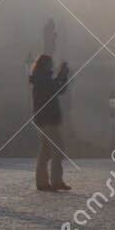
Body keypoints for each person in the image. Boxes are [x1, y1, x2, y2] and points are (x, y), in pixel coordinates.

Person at [30, 53, 71, 192]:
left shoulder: (41, 78)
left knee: (46, 151)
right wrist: (62, 74)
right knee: (57, 149)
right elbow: (56, 89)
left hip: (44, 119)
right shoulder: (42, 79)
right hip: (48, 119)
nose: (51, 65)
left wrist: (63, 76)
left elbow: (59, 89)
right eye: (49, 63)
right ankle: (55, 181)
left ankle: (42, 182)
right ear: (44, 65)